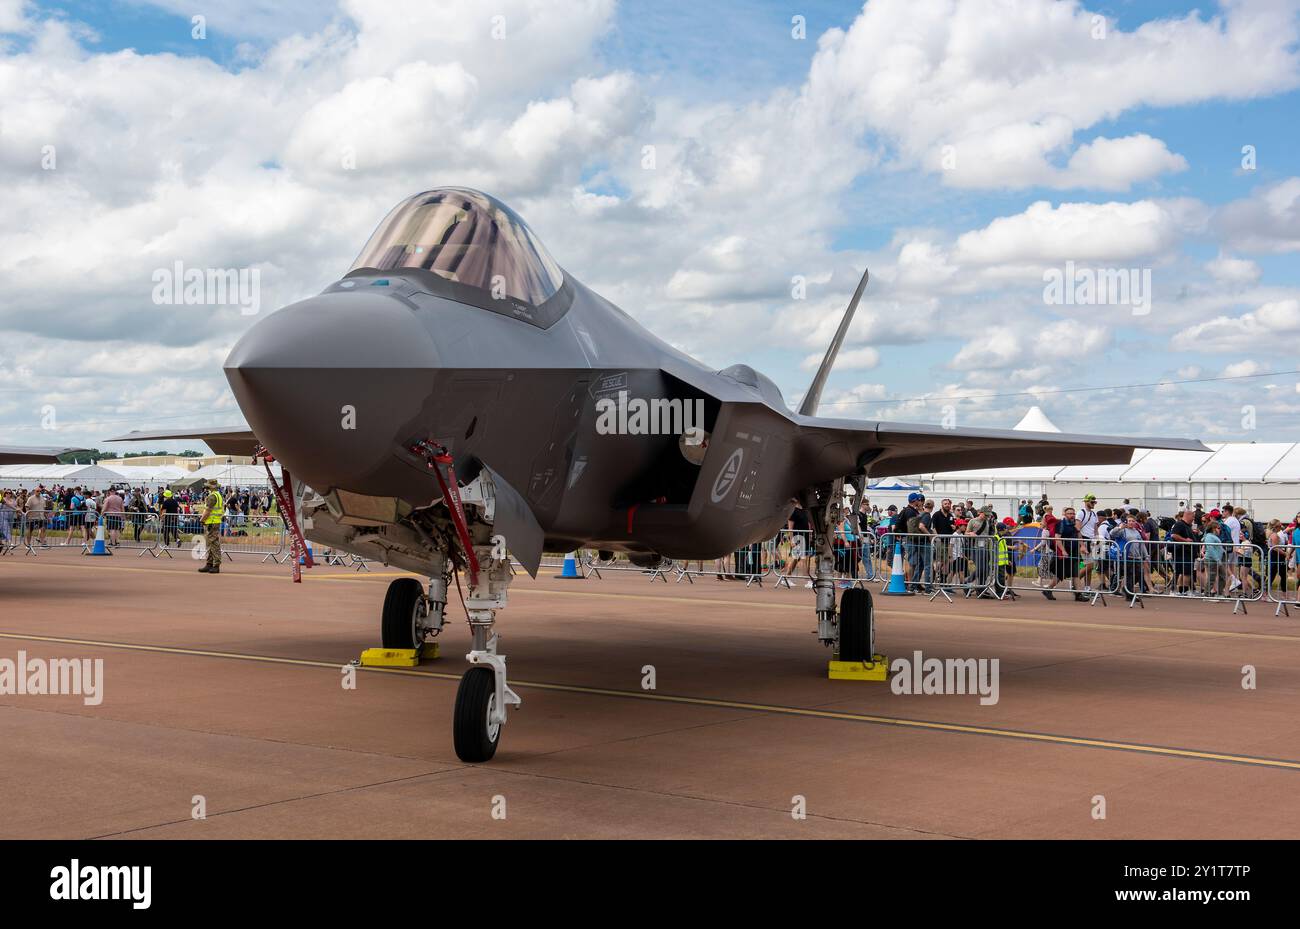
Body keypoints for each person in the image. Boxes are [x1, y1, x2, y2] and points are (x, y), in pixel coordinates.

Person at [198, 479, 225, 574]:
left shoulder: (212, 496)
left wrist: (202, 520)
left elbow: (208, 510)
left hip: (211, 522)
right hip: (214, 522)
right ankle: (209, 564)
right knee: (210, 543)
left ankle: (215, 565)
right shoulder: (218, 495)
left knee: (213, 543)